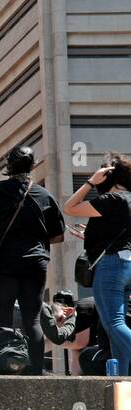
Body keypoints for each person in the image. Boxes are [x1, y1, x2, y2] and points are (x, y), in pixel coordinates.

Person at [0, 144, 66, 374]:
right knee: (33, 319)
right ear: (33, 165)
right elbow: (58, 235)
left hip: (4, 264)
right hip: (35, 263)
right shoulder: (43, 195)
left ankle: (6, 368)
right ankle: (36, 371)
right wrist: (36, 238)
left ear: (8, 165)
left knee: (3, 319)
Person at [63, 154, 131, 374]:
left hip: (112, 266)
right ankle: (122, 380)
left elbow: (70, 207)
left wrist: (91, 182)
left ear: (107, 176)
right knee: (114, 329)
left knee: (113, 323)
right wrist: (93, 236)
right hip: (127, 264)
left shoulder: (111, 200)